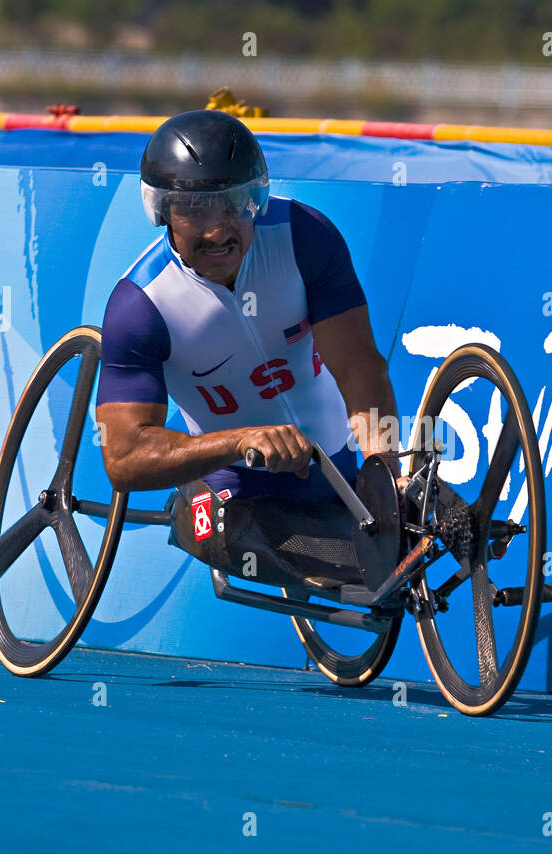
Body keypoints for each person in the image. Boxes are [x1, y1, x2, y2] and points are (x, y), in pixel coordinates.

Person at [94, 109, 405, 584]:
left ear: (256, 199)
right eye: (195, 210)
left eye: (235, 204)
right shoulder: (139, 306)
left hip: (339, 473)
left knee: (430, 517)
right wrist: (241, 440)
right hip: (234, 492)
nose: (218, 230)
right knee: (354, 566)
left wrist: (384, 466)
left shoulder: (305, 237)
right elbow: (124, 457)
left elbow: (359, 365)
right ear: (162, 212)